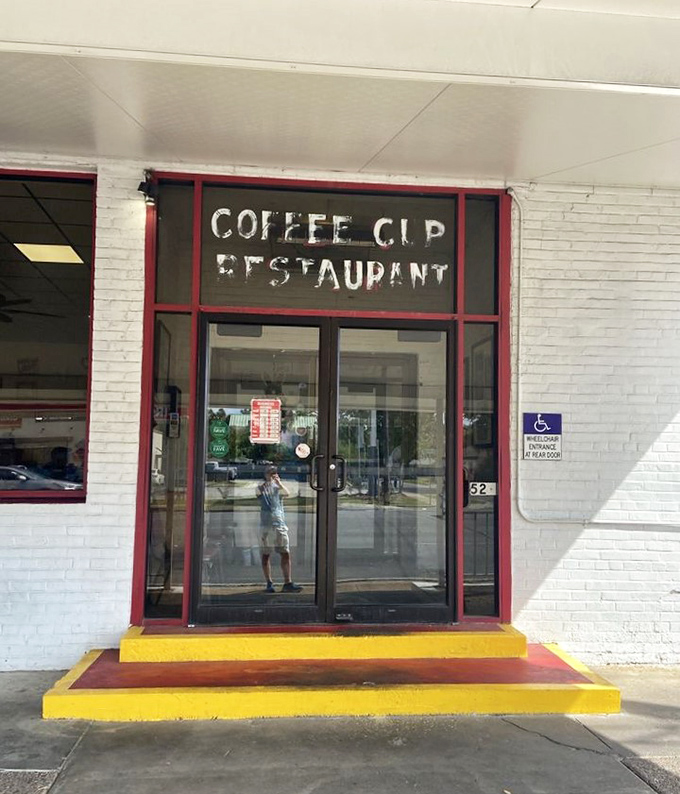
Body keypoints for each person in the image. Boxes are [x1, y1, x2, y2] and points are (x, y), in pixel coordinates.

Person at [256, 465, 302, 593]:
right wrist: (264, 486)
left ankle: (287, 582)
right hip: (266, 525)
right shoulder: (261, 487)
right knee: (266, 554)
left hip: (279, 524)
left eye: (274, 473)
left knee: (285, 552)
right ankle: (269, 582)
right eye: (270, 473)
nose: (272, 475)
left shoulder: (278, 487)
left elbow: (287, 494)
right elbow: (257, 494)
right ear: (265, 474)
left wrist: (279, 483)